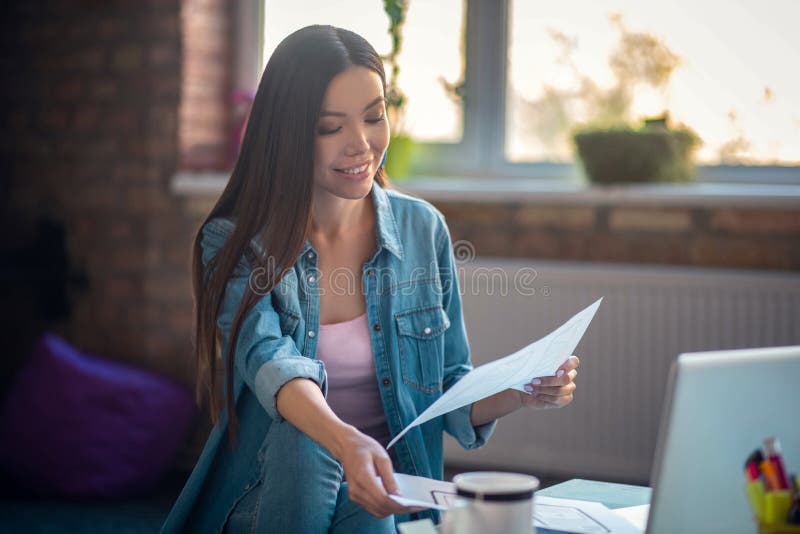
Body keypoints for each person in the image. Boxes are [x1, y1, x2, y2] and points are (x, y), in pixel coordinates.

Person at [160, 25, 580, 533]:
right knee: (304, 438)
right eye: (329, 127)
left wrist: (521, 389)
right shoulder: (232, 242)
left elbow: (445, 389)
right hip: (269, 494)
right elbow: (271, 364)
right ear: (286, 133)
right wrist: (346, 440)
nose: (361, 145)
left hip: (387, 489)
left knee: (375, 508)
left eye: (375, 116)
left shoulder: (423, 228)